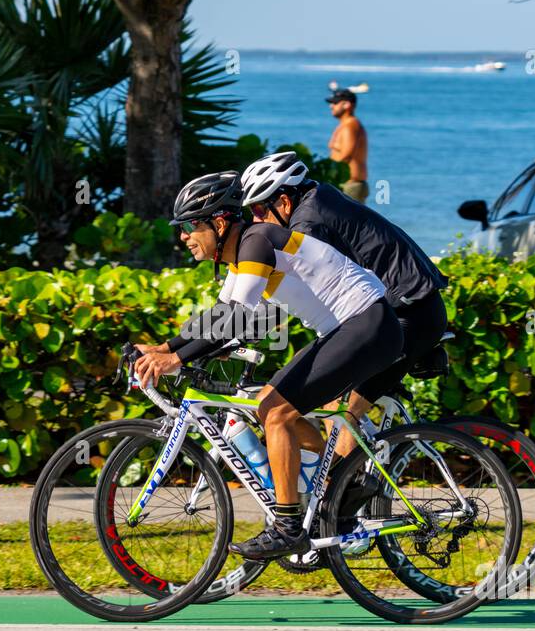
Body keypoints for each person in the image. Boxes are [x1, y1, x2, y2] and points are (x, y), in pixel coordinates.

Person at [131, 171, 403, 561]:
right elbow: (222, 315)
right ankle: (339, 484)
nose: (184, 237)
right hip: (351, 328)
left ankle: (288, 527)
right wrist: (163, 347)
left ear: (219, 222)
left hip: (366, 325)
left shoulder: (256, 242)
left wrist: (174, 359)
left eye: (191, 226)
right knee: (273, 407)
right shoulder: (243, 254)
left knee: (274, 412)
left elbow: (239, 319)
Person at [239, 151, 450, 503]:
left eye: (260, 210)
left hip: (409, 314)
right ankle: (345, 489)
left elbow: (307, 289)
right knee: (332, 393)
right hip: (408, 306)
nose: (256, 220)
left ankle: (343, 504)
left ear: (284, 201)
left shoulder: (308, 224)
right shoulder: (318, 198)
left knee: (342, 408)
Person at [326, 88, 369, 203]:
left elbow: (346, 155)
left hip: (350, 186)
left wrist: (328, 176)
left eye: (335, 103)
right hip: (346, 185)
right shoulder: (346, 124)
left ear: (346, 105)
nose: (331, 106)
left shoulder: (350, 126)